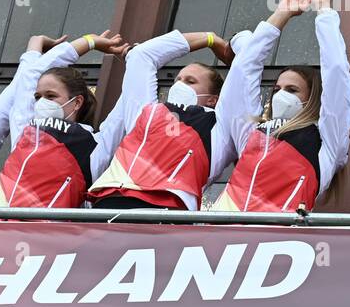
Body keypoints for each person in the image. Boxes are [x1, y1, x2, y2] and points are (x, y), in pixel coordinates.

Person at [208, 0, 350, 213]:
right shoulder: (251, 132)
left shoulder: (326, 142)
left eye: (292, 90)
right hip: (220, 229)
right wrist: (280, 15)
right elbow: (243, 70)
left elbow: (337, 74)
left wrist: (325, 13)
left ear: (312, 100)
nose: (280, 95)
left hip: (278, 232)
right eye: (276, 89)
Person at [86, 29, 239, 210]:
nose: (180, 85)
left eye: (190, 81)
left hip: (166, 214)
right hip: (109, 203)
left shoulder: (220, 129)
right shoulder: (147, 112)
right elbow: (141, 55)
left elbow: (245, 75)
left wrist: (237, 54)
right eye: (177, 80)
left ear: (213, 99)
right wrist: (210, 39)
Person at [0, 31, 128, 209]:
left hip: (50, 227)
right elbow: (29, 75)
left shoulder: (95, 146)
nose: (41, 103)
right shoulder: (26, 131)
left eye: (51, 96)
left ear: (77, 102)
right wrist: (88, 42)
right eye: (37, 97)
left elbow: (126, 105)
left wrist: (134, 59)